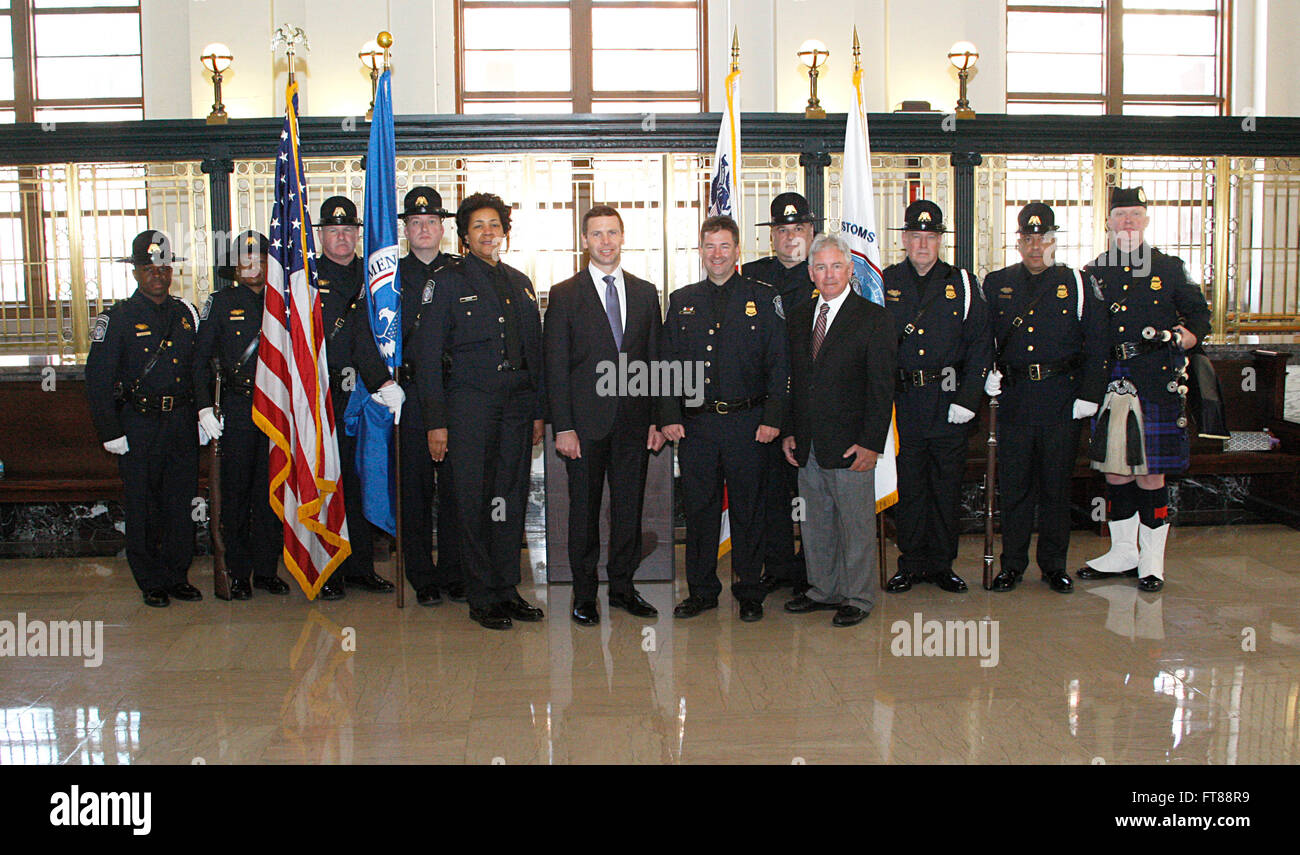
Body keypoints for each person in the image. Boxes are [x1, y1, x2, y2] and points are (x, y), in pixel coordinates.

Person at [412, 192, 547, 630]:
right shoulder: (447, 282)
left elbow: (535, 354)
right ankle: (481, 594)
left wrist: (539, 412)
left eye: (495, 225)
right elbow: (427, 357)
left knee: (508, 499)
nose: (488, 233)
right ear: (464, 236)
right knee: (473, 502)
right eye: (478, 227)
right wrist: (436, 420)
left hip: (516, 409)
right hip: (468, 408)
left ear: (505, 231)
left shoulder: (520, 282)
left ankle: (507, 588)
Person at [1077, 187, 1211, 592]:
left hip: (1156, 376)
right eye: (1121, 215)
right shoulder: (1095, 270)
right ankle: (1122, 552)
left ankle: (1152, 561)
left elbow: (1201, 318)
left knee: (1151, 473)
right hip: (1110, 378)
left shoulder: (1169, 267)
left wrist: (1178, 340)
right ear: (1109, 223)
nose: (1128, 222)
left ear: (1147, 220)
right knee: (1116, 470)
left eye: (1136, 215)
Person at [660, 215, 789, 623]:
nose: (717, 254)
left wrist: (773, 417)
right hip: (697, 426)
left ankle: (749, 590)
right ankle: (701, 591)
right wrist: (668, 414)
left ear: (738, 251)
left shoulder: (764, 298)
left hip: (748, 423)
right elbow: (667, 363)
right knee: (700, 510)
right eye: (710, 246)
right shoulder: (682, 299)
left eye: (725, 246)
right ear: (701, 252)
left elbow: (779, 364)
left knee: (749, 510)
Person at [544, 205, 665, 626]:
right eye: (597, 234)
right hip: (584, 426)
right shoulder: (563, 294)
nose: (606, 241)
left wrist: (656, 418)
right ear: (584, 241)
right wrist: (564, 426)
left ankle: (623, 588)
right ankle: (583, 595)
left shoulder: (647, 292)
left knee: (629, 509)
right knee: (585, 511)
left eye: (612, 233)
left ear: (623, 237)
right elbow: (555, 366)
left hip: (634, 424)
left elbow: (654, 360)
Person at [982, 204, 1108, 594]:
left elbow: (1099, 342)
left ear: (1054, 241)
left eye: (1043, 239)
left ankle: (1054, 565)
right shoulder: (997, 282)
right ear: (1018, 242)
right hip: (1016, 400)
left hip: (1061, 400)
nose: (1035, 247)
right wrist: (986, 375)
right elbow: (984, 339)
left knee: (1056, 488)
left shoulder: (1078, 282)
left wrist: (1089, 395)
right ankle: (1012, 565)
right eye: (1028, 239)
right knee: (1015, 488)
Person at [781, 233, 896, 627]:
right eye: (820, 267)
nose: (828, 274)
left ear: (850, 270)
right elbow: (795, 380)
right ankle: (823, 589)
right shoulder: (798, 317)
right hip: (808, 442)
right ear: (810, 273)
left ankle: (859, 596)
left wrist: (871, 444)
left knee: (855, 524)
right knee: (815, 522)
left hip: (852, 444)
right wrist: (791, 431)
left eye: (836, 266)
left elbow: (882, 388)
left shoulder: (873, 317)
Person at [85, 230, 202, 608]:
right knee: (142, 504)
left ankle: (176, 574)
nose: (157, 273)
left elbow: (199, 369)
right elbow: (98, 377)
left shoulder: (185, 314)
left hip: (181, 421)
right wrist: (110, 430)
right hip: (139, 423)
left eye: (163, 266)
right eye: (148, 267)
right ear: (135, 271)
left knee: (179, 501)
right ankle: (150, 579)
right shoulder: (117, 317)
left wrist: (202, 411)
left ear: (171, 271)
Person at [881, 200, 991, 595]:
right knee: (909, 488)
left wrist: (969, 398)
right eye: (915, 237)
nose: (922, 244)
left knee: (945, 488)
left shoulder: (961, 282)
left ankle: (943, 565)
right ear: (905, 239)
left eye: (930, 237)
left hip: (949, 404)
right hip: (903, 403)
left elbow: (981, 344)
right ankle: (909, 564)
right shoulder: (885, 281)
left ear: (940, 240)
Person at [313, 195, 402, 599]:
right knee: (326, 484)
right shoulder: (307, 280)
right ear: (320, 235)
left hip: (366, 396)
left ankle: (362, 566)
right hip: (322, 396)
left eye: (349, 230)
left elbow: (372, 337)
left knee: (362, 479)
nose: (343, 237)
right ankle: (327, 570)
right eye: (334, 230)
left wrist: (383, 382)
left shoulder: (373, 276)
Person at [193, 230, 290, 600]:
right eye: (246, 259)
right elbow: (199, 362)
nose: (254, 265)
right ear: (235, 267)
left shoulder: (283, 303)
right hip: (236, 408)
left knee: (272, 492)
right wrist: (203, 407)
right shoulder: (219, 303)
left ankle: (267, 570)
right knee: (234, 495)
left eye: (261, 259)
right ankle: (237, 572)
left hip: (277, 409)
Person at [742, 191, 819, 596]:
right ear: (772, 236)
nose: (791, 238)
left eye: (799, 229)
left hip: (810, 407)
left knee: (810, 496)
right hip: (764, 407)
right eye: (782, 231)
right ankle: (778, 568)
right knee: (770, 495)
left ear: (812, 231)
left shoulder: (825, 273)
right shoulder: (753, 276)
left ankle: (811, 573)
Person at [393, 187, 465, 607]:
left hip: (455, 394)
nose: (424, 229)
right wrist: (381, 384)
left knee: (457, 489)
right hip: (408, 394)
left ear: (443, 228)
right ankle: (422, 577)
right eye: (416, 223)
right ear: (405, 229)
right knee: (414, 491)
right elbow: (369, 334)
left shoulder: (460, 272)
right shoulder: (389, 276)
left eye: (432, 222)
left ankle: (455, 573)